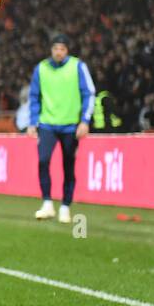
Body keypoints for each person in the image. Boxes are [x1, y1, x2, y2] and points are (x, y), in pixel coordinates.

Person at [27, 34, 94, 224]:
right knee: (43, 160)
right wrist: (33, 122)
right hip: (47, 123)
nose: (59, 52)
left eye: (62, 49)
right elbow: (34, 96)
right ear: (51, 49)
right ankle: (47, 203)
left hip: (70, 125)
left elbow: (89, 93)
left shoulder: (78, 67)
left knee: (68, 166)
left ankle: (65, 206)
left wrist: (84, 121)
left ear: (67, 51)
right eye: (56, 48)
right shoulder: (41, 68)